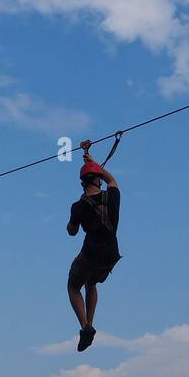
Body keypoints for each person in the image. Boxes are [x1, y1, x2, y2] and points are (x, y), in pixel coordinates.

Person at [66, 141, 121, 352]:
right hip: (110, 255)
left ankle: (85, 326)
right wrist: (97, 164)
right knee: (92, 283)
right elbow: (112, 180)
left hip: (90, 254)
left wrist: (72, 219)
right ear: (98, 179)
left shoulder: (78, 206)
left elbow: (72, 231)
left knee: (73, 285)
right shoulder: (113, 197)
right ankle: (89, 324)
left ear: (81, 183)